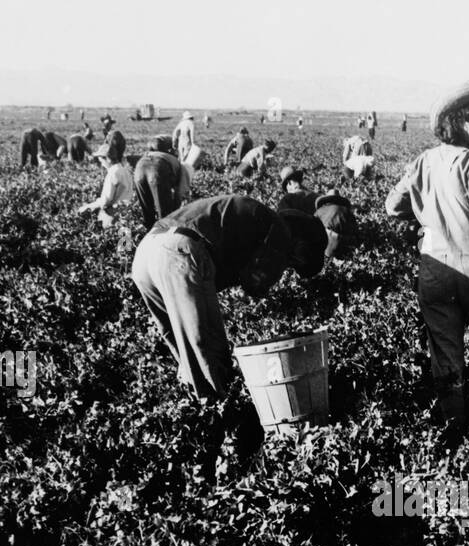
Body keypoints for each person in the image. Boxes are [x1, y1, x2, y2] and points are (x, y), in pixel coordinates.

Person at [129, 194, 329, 470]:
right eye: (295, 262)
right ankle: (230, 435)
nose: (291, 267)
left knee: (183, 350)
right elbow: (255, 285)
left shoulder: (256, 218)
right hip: (178, 252)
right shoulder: (279, 232)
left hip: (146, 254)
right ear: (300, 244)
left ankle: (197, 425)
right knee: (207, 346)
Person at [385, 79, 469, 434]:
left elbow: (391, 205)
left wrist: (423, 217)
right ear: (462, 122)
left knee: (445, 355)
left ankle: (454, 429)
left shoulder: (424, 161)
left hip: (434, 270)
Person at [133, 136, 192, 228]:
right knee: (164, 216)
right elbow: (181, 192)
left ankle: (148, 234)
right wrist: (175, 211)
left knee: (147, 213)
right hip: (158, 169)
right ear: (169, 149)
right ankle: (164, 237)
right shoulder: (175, 162)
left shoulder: (146, 155)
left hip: (139, 168)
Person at [79, 132, 133, 227]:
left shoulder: (112, 173)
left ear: (107, 159)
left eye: (101, 160)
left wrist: (87, 207)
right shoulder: (125, 170)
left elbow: (106, 200)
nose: (102, 164)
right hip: (126, 214)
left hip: (113, 216)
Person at [315, 189, 358, 261]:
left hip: (327, 246)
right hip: (344, 245)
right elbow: (355, 230)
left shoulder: (320, 211)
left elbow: (312, 227)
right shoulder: (347, 211)